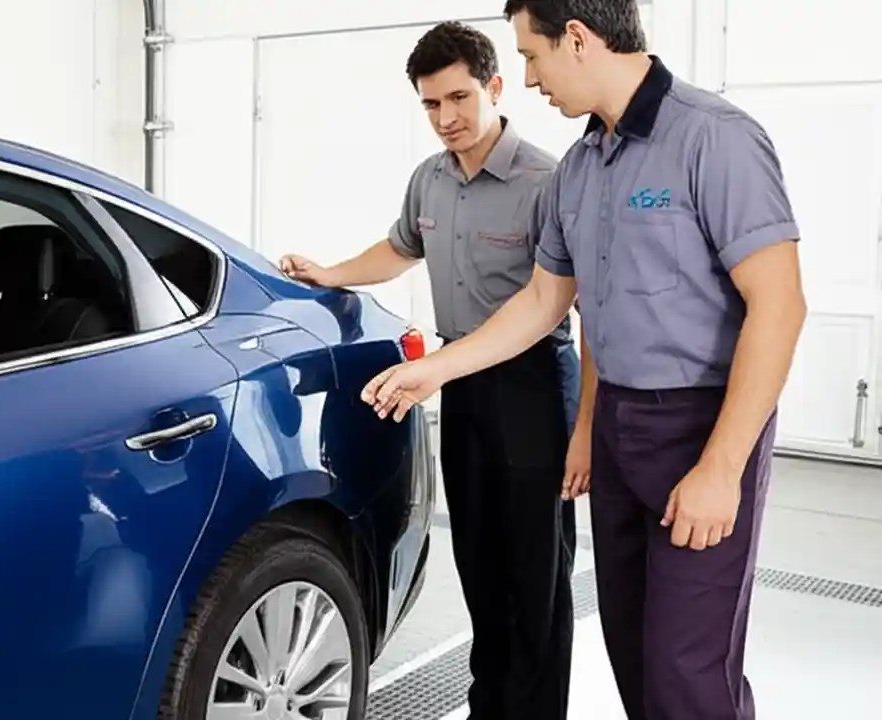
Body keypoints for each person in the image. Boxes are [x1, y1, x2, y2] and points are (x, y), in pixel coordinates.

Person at [361, 2, 807, 719]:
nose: (530, 78)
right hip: (619, 423)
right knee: (632, 651)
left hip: (701, 424)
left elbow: (779, 306)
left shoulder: (713, 137)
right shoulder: (579, 166)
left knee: (685, 668)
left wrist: (722, 468)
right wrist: (435, 371)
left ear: (578, 38)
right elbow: (544, 302)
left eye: (531, 56)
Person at [279, 21, 582, 720]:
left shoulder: (547, 181)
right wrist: (332, 272)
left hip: (535, 384)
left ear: (495, 87)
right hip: (460, 380)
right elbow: (398, 249)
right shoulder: (430, 180)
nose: (445, 119)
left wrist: (589, 422)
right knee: (477, 556)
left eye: (458, 98)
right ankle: (491, 705)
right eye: (430, 105)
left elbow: (572, 305)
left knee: (536, 571)